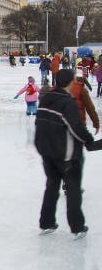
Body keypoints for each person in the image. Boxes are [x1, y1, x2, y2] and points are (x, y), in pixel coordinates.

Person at [35, 69, 94, 238]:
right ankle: (77, 226)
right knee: (73, 189)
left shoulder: (46, 98)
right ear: (70, 82)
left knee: (52, 186)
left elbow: (40, 122)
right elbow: (75, 127)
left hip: (47, 151)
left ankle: (46, 223)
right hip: (65, 153)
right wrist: (88, 140)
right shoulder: (67, 102)